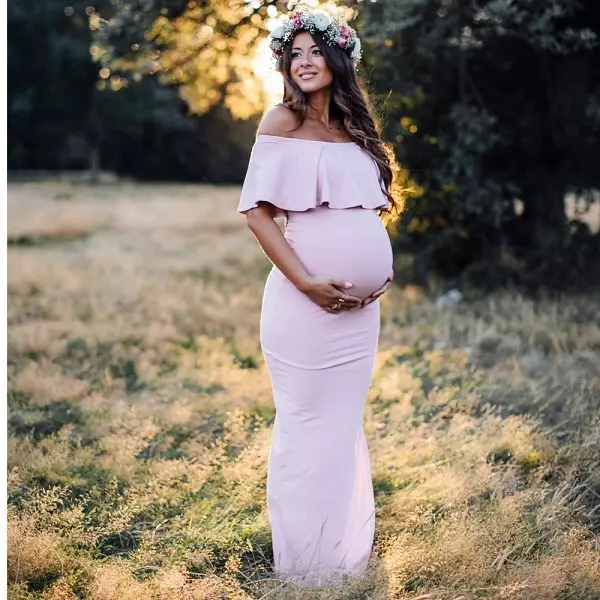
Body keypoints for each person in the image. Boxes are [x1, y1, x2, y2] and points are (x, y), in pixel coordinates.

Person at [237, 9, 402, 588]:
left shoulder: (356, 129)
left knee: (340, 427)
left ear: (338, 61)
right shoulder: (280, 120)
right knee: (307, 426)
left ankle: (343, 558)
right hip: (301, 308)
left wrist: (375, 272)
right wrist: (308, 281)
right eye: (295, 54)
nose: (303, 63)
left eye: (315, 52)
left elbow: (364, 213)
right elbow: (257, 214)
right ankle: (303, 570)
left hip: (360, 316)